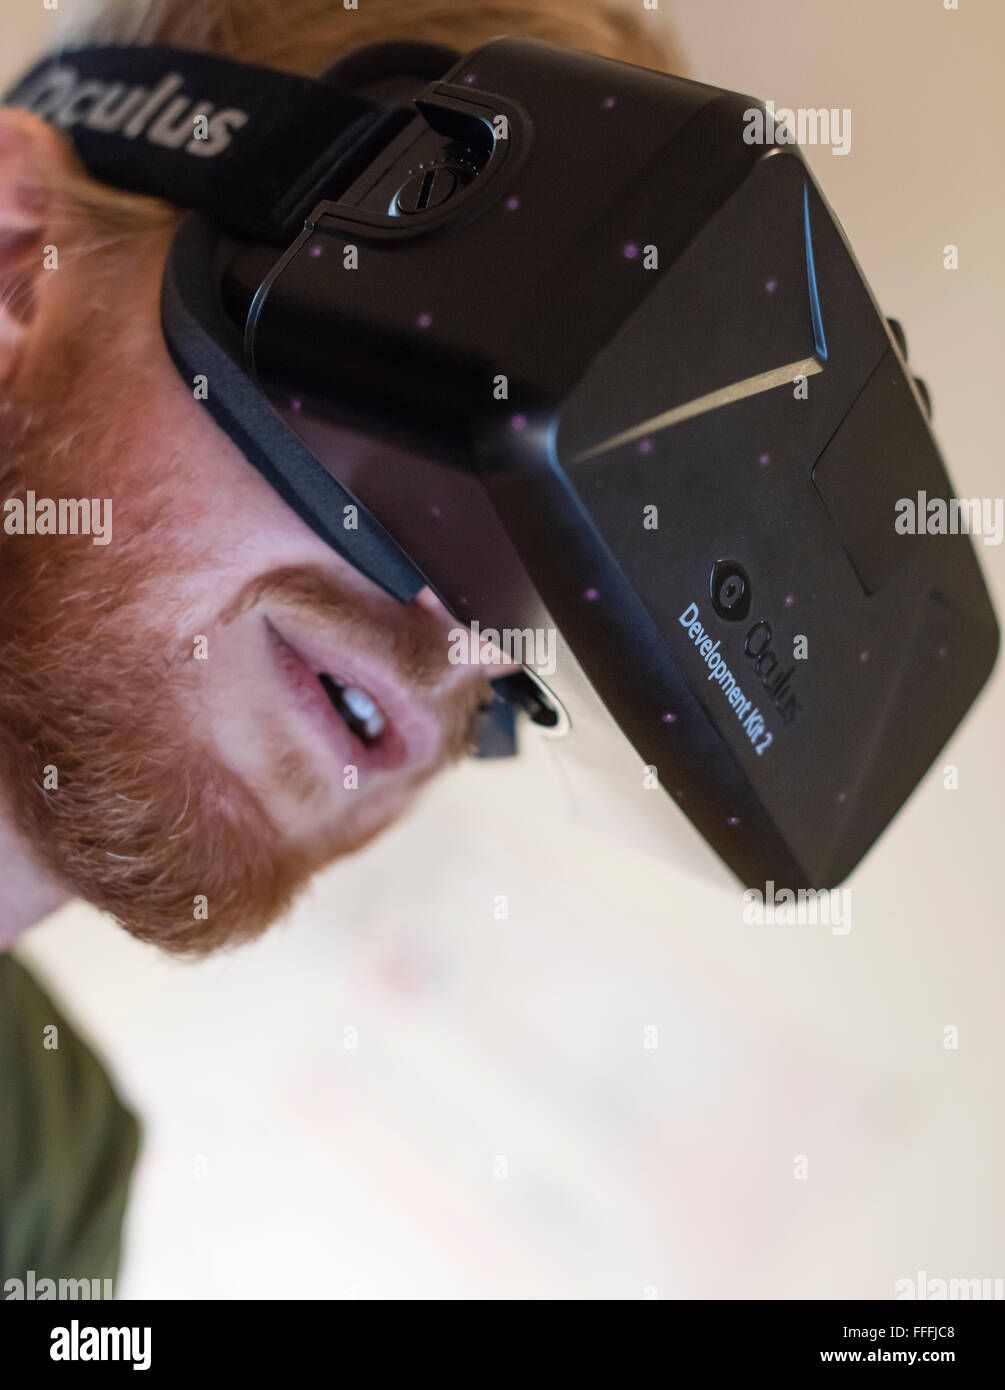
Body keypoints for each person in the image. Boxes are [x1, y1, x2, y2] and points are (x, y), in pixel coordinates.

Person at [0, 0, 680, 1293]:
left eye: (556, 607)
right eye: (428, 453)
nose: (465, 646)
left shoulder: (59, 1183)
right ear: (20, 253)